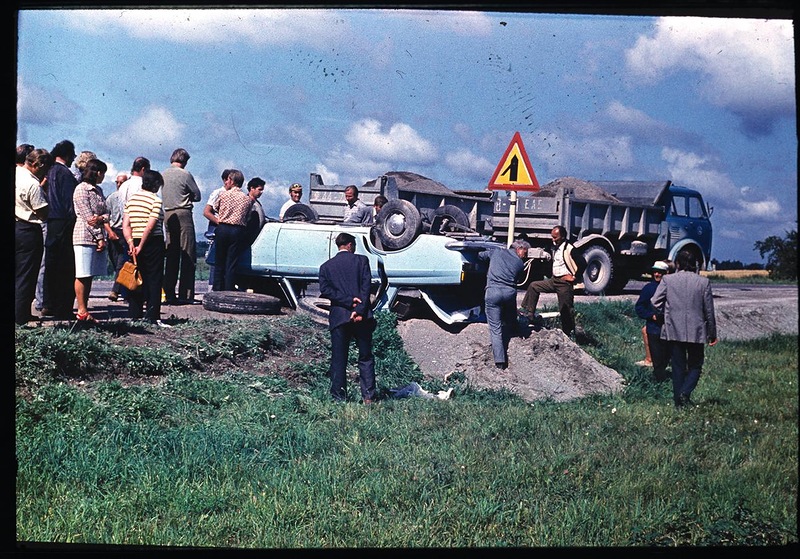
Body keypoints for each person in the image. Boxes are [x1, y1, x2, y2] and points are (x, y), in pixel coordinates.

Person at [651, 249, 718, 407]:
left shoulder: (668, 280)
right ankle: (685, 393)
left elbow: (655, 302)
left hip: (673, 328)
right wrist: (712, 333)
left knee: (678, 366)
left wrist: (664, 315)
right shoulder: (703, 282)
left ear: (678, 263)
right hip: (696, 330)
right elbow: (709, 310)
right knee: (696, 364)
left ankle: (678, 402)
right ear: (695, 264)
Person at [318, 232, 376, 403]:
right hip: (362, 317)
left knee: (338, 359)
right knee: (365, 357)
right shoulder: (361, 261)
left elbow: (326, 291)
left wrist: (348, 301)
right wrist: (358, 309)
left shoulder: (326, 267)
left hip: (339, 317)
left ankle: (338, 397)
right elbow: (366, 287)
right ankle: (368, 397)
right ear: (350, 245)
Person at [519, 225, 581, 336]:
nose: (553, 239)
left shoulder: (570, 248)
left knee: (565, 309)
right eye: (552, 237)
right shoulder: (554, 247)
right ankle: (529, 313)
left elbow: (583, 263)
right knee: (534, 286)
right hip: (554, 280)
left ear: (562, 237)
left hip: (564, 283)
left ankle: (569, 334)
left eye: (555, 237)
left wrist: (574, 277)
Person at [478, 239, 530, 369]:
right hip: (509, 293)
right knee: (510, 311)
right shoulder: (520, 264)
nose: (526, 255)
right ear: (519, 249)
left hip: (493, 292)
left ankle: (500, 362)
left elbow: (480, 255)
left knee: (495, 329)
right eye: (526, 252)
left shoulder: (496, 252)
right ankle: (515, 328)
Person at [42, 139, 78, 320]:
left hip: (50, 220)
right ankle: (63, 307)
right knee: (66, 266)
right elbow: (69, 203)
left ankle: (48, 303)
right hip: (64, 222)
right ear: (67, 155)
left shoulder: (48, 171)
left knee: (51, 264)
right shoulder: (65, 174)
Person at [123, 169, 166, 323]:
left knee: (136, 277)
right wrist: (142, 244)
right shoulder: (156, 200)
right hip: (152, 241)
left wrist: (131, 244)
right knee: (154, 278)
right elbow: (150, 226)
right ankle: (152, 315)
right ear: (155, 185)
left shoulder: (132, 200)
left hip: (133, 241)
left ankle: (134, 313)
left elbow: (126, 225)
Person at [15, 148, 53, 325]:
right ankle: (20, 316)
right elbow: (43, 213)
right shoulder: (33, 184)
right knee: (26, 275)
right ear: (39, 165)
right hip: (28, 229)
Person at [72, 158, 110, 323]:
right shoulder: (81, 190)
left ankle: (85, 309)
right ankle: (81, 310)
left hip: (96, 235)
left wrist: (100, 218)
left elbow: (107, 213)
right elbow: (88, 218)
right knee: (82, 273)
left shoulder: (98, 190)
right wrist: (100, 236)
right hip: (84, 235)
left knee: (89, 274)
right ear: (98, 172)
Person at [162, 148, 201, 304]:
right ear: (184, 160)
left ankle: (169, 292)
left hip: (167, 213)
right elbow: (197, 196)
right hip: (183, 212)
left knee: (171, 254)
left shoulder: (163, 174)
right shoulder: (185, 175)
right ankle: (186, 293)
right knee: (187, 253)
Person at [211, 169, 252, 292]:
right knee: (231, 263)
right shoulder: (246, 199)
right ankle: (228, 290)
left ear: (232, 181)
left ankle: (217, 289)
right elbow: (248, 216)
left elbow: (215, 207)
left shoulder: (223, 194)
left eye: (228, 179)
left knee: (219, 261)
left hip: (223, 227)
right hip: (238, 230)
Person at [635, 260, 671, 380]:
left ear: (666, 273)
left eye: (660, 272)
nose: (657, 275)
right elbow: (639, 307)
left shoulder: (672, 288)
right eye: (655, 272)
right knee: (657, 358)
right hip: (654, 328)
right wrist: (651, 315)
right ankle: (659, 379)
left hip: (670, 328)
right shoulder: (649, 288)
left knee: (666, 355)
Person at [202, 169, 231, 286]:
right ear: (225, 180)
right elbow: (207, 212)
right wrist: (221, 222)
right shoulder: (217, 193)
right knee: (216, 260)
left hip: (228, 229)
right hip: (218, 227)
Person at [105, 172, 130, 302]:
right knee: (116, 264)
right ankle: (123, 290)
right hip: (113, 232)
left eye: (122, 182)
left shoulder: (129, 197)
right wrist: (109, 232)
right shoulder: (111, 198)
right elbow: (105, 216)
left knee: (122, 263)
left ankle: (115, 290)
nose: (119, 185)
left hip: (124, 231)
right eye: (117, 182)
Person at [246, 176, 266, 244]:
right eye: (259, 189)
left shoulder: (257, 203)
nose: (261, 192)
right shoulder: (247, 202)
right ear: (252, 188)